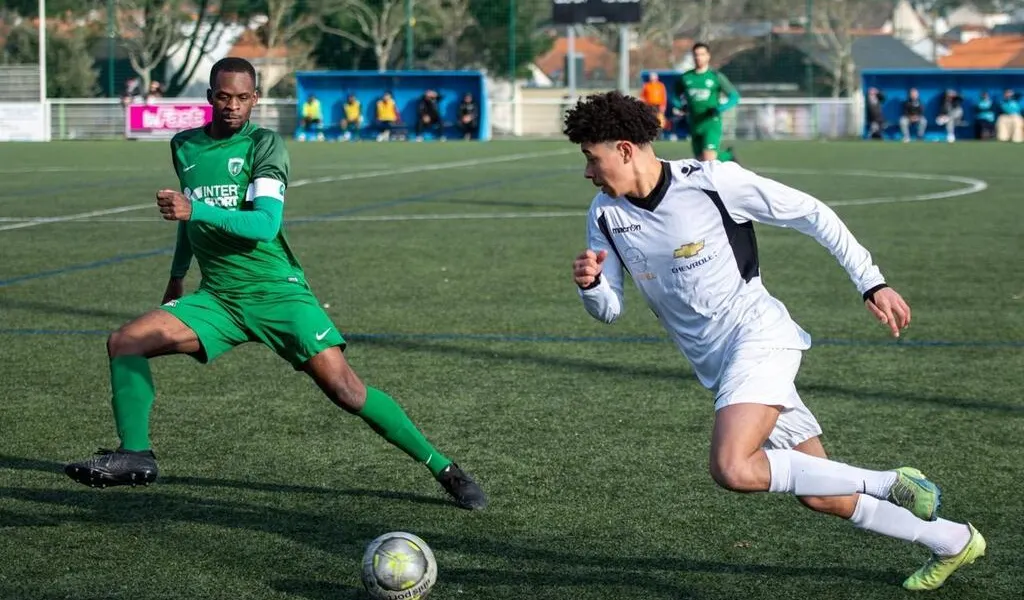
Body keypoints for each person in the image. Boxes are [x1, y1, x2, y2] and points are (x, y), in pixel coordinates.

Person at [563, 91, 985, 591]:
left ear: (627, 149)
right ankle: (952, 540)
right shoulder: (605, 215)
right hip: (719, 364)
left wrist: (871, 281)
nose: (589, 172)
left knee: (733, 467)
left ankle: (891, 481)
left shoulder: (714, 183)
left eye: (593, 159)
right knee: (821, 492)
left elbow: (813, 213)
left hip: (759, 336)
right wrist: (592, 286)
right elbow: (609, 309)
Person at [63, 57, 487, 512]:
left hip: (277, 293)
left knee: (348, 391)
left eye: (243, 98)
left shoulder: (265, 145)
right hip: (219, 298)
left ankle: (444, 468)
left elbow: (265, 225)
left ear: (255, 100)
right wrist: (176, 277)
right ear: (210, 97)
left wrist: (194, 211)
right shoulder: (184, 145)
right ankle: (136, 454)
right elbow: (190, 223)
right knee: (125, 341)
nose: (233, 106)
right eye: (224, 97)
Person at [674, 42, 740, 162]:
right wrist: (680, 106)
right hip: (694, 123)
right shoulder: (686, 77)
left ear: (708, 56)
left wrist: (719, 109)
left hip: (711, 123)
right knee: (701, 161)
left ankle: (727, 157)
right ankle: (727, 156)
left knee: (708, 157)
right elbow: (674, 95)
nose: (699, 57)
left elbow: (734, 97)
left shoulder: (715, 76)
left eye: (702, 54)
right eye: (696, 54)